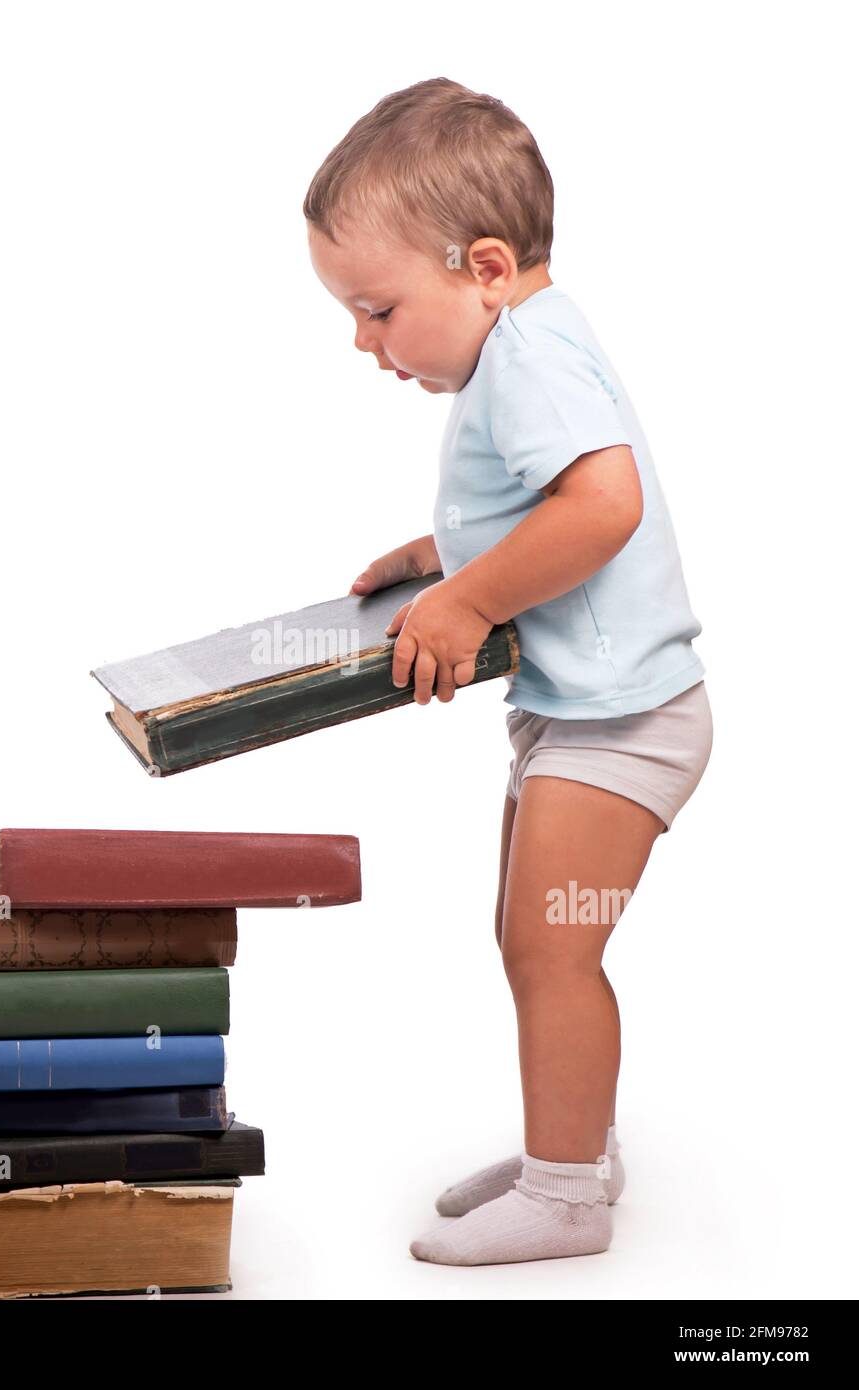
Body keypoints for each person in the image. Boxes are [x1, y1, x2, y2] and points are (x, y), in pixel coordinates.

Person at [304, 77, 713, 1265]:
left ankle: (569, 1196)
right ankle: (571, 1144)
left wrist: (470, 597)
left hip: (625, 724)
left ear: (484, 266)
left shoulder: (524, 359)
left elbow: (605, 502)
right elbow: (550, 499)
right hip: (586, 715)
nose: (364, 340)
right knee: (531, 937)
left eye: (379, 309)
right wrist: (452, 554)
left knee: (551, 947)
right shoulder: (530, 338)